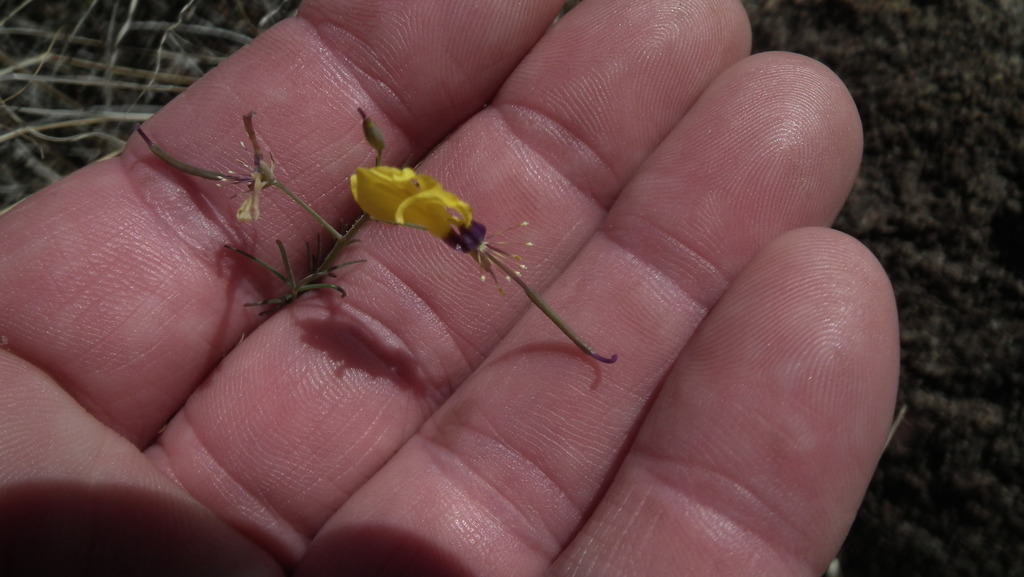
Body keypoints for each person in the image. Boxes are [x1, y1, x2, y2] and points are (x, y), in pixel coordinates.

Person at [0, 1, 899, 575]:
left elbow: (408, 201)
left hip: (426, 221)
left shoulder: (403, 200)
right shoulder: (371, 198)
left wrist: (449, 227)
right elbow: (387, 199)